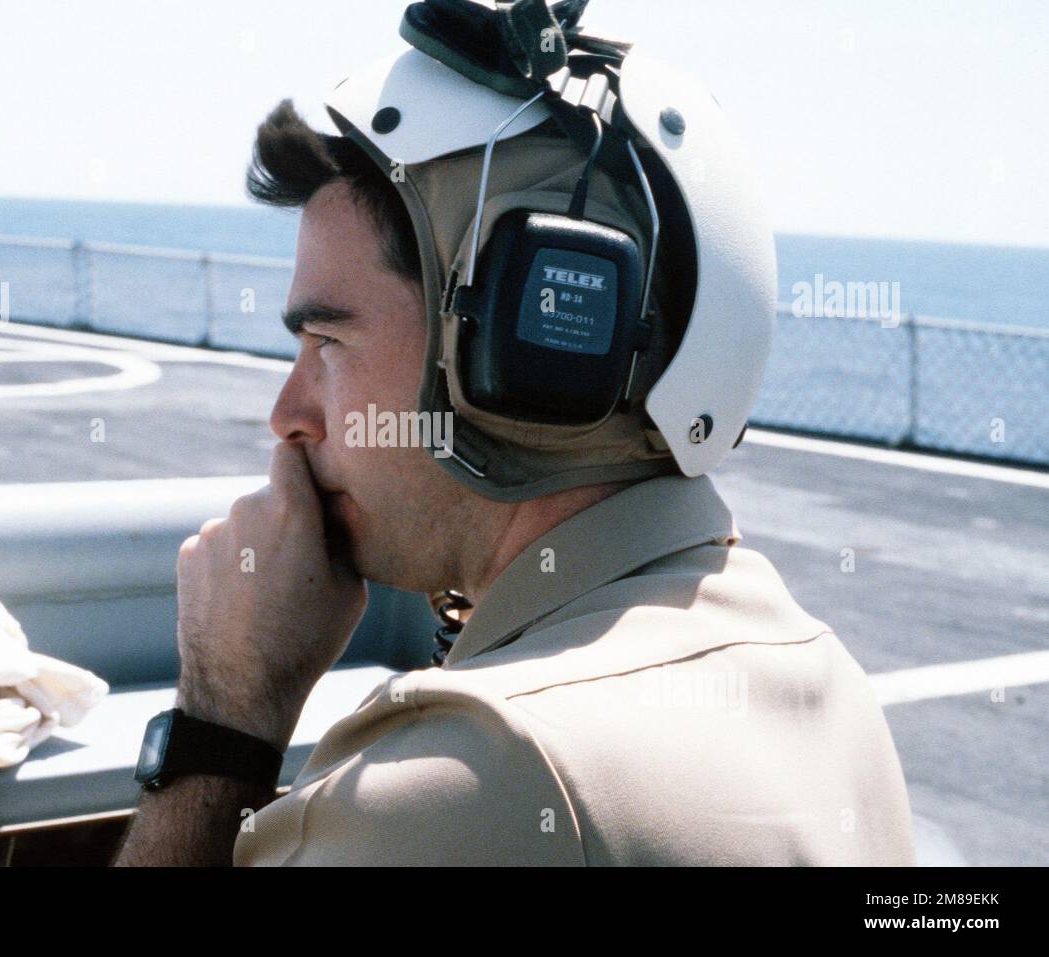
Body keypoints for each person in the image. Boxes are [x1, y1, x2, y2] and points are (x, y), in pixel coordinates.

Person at [113, 1, 916, 866]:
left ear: (512, 350)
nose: (288, 414)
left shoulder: (460, 785)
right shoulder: (831, 686)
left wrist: (224, 722)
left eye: (328, 342)